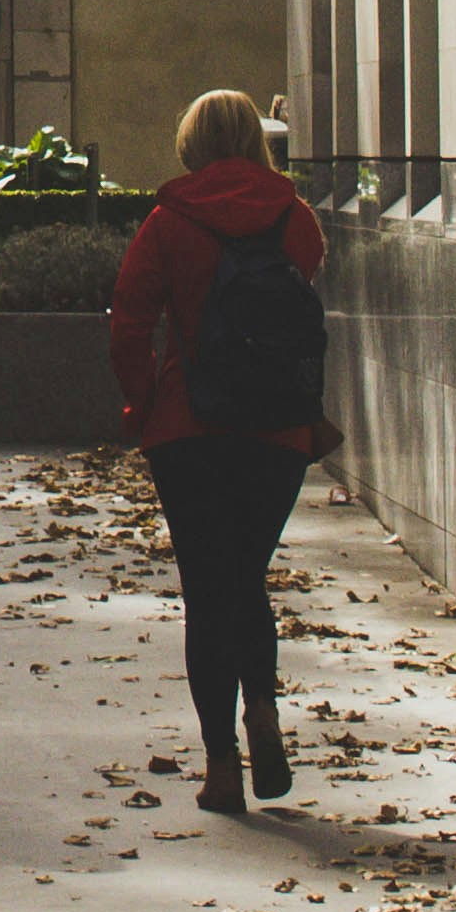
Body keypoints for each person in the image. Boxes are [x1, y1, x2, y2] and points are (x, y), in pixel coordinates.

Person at [111, 87, 337, 816]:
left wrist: (141, 403)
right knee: (245, 577)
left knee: (207, 592)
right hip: (274, 428)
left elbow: (128, 318)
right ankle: (263, 711)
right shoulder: (293, 217)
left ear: (190, 142)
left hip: (190, 426)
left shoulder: (168, 220)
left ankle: (219, 766)